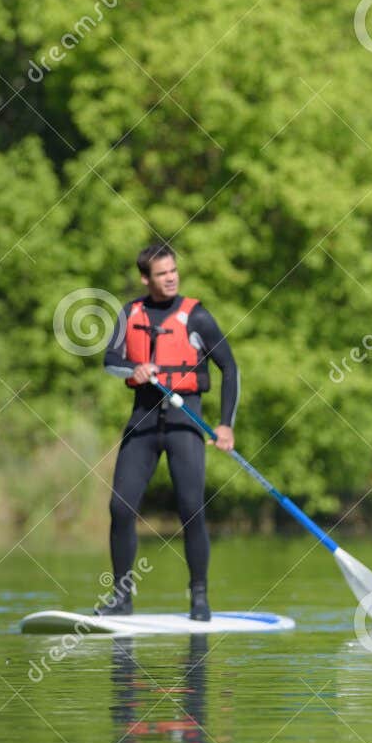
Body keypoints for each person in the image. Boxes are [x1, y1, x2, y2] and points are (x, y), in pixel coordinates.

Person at [99, 242, 238, 620]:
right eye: (162, 273)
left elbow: (231, 368)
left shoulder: (197, 317)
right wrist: (133, 369)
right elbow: (110, 362)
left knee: (191, 509)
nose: (171, 277)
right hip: (143, 419)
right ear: (146, 278)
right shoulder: (130, 313)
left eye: (173, 270)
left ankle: (199, 598)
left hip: (185, 421)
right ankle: (121, 598)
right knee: (120, 507)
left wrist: (226, 424)